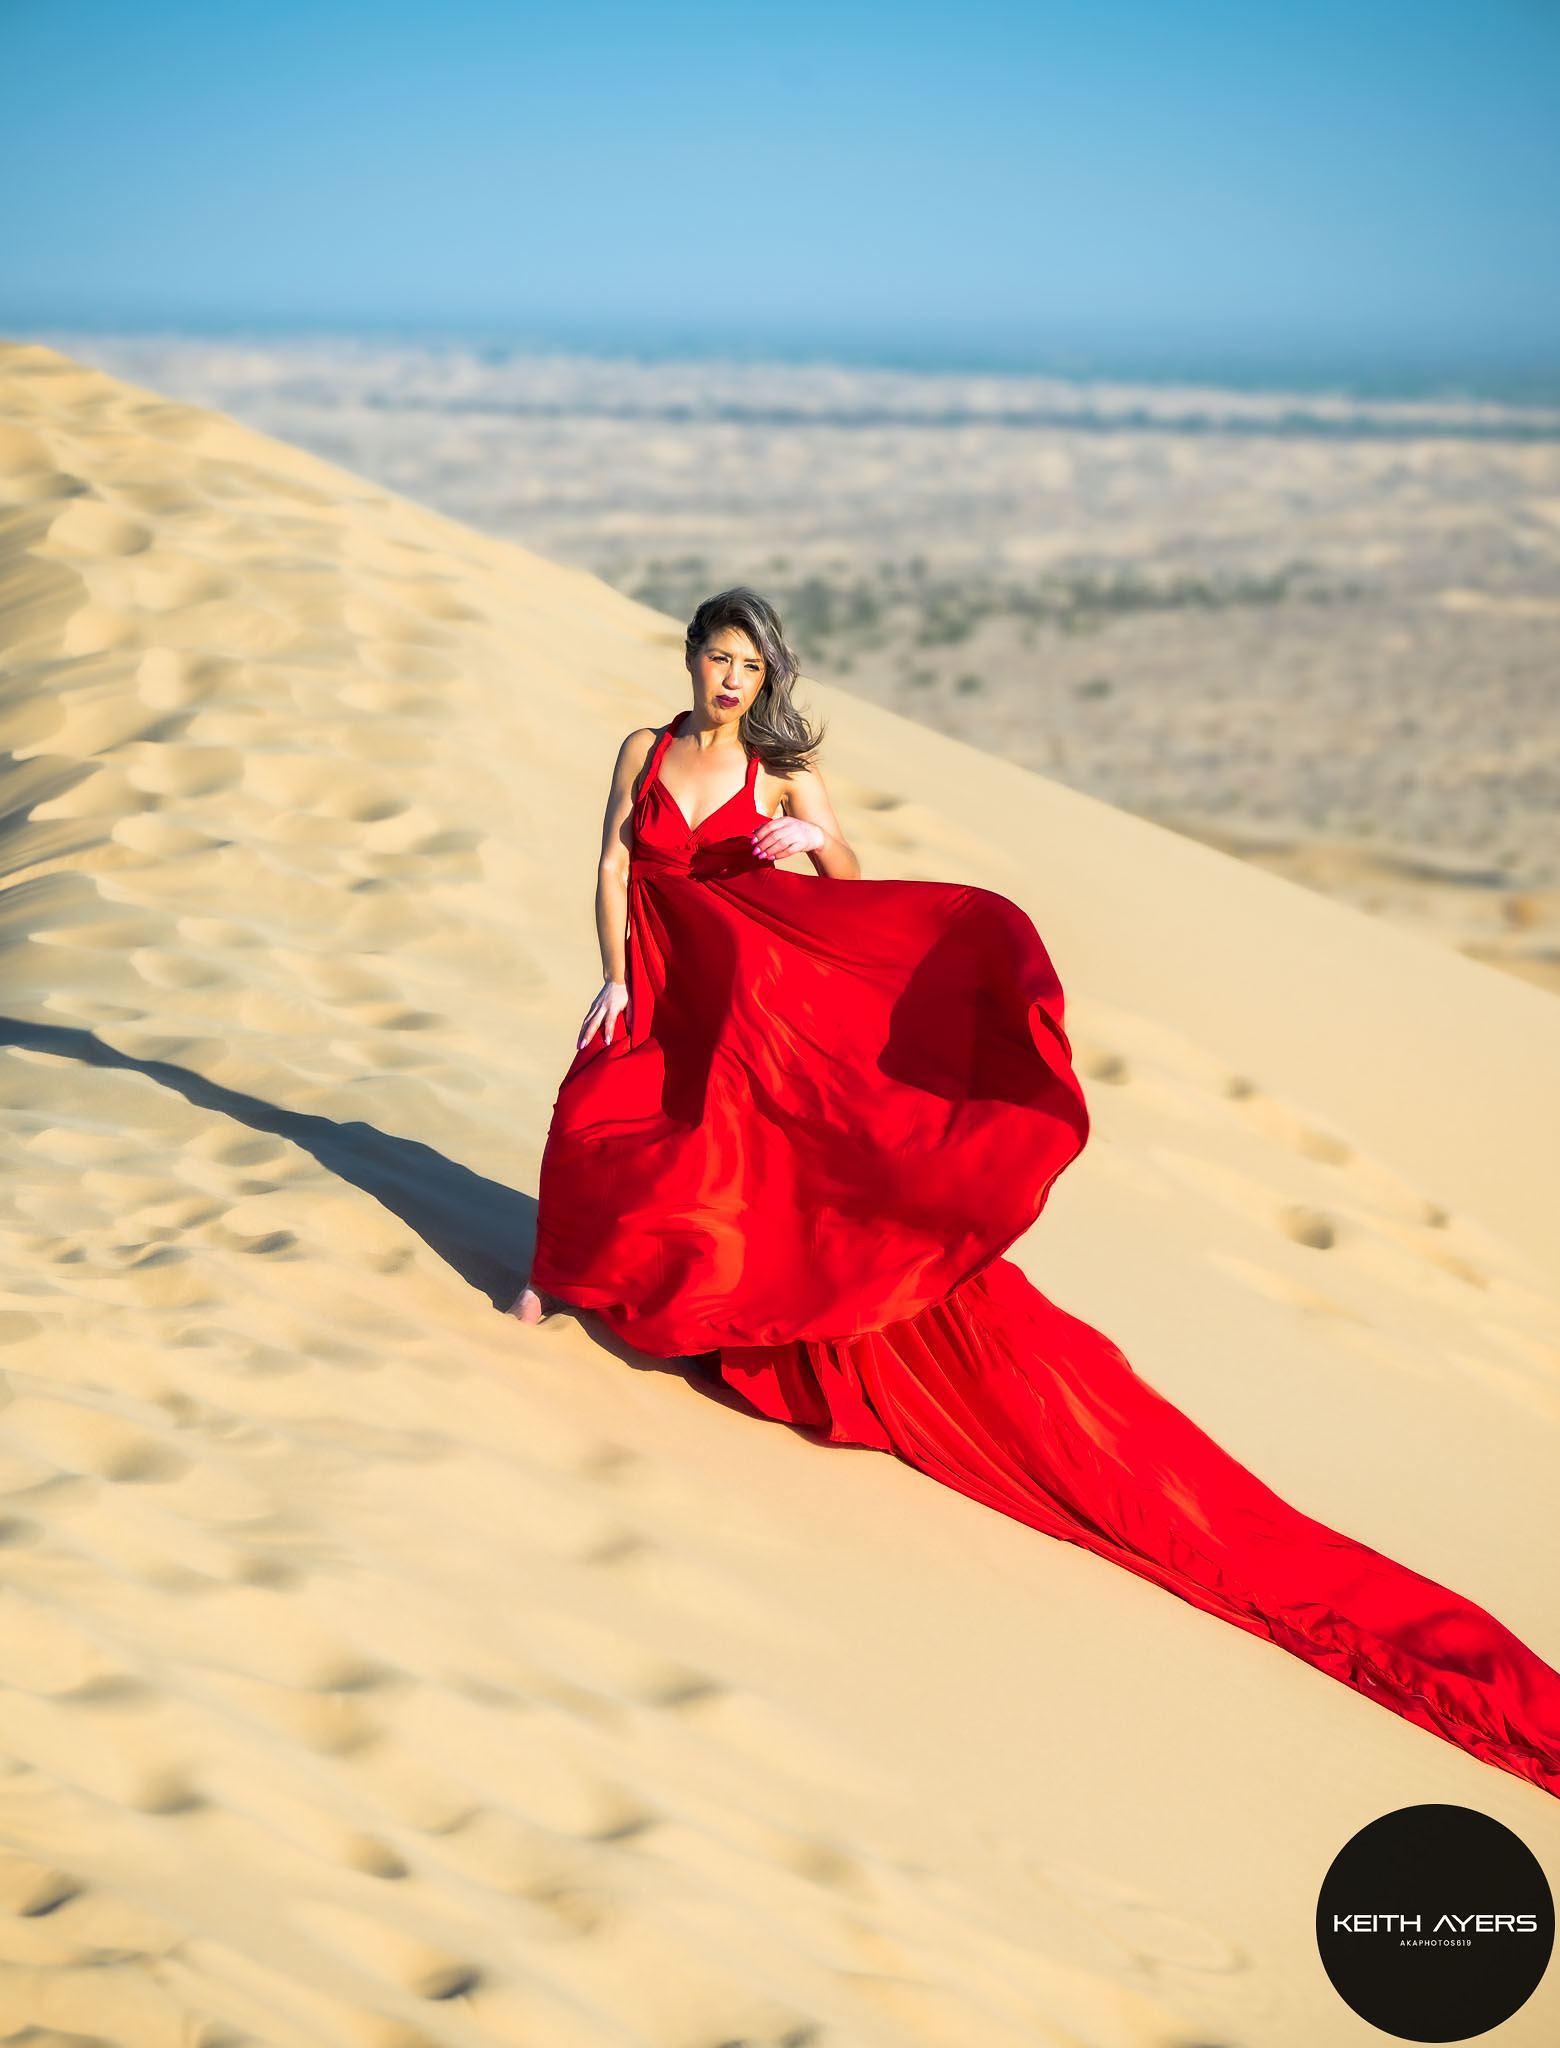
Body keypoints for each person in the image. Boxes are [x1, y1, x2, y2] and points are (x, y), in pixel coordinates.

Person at [513, 586, 1560, 1803]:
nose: (730, 677)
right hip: (665, 985)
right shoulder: (643, 750)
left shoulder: (785, 772)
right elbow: (608, 860)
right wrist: (612, 978)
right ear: (690, 659)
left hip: (759, 1013)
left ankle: (667, 1286)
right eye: (716, 655)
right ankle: (559, 1271)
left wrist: (814, 848)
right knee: (598, 1113)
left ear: (766, 674)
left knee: (732, 1173)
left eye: (749, 662)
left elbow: (850, 876)